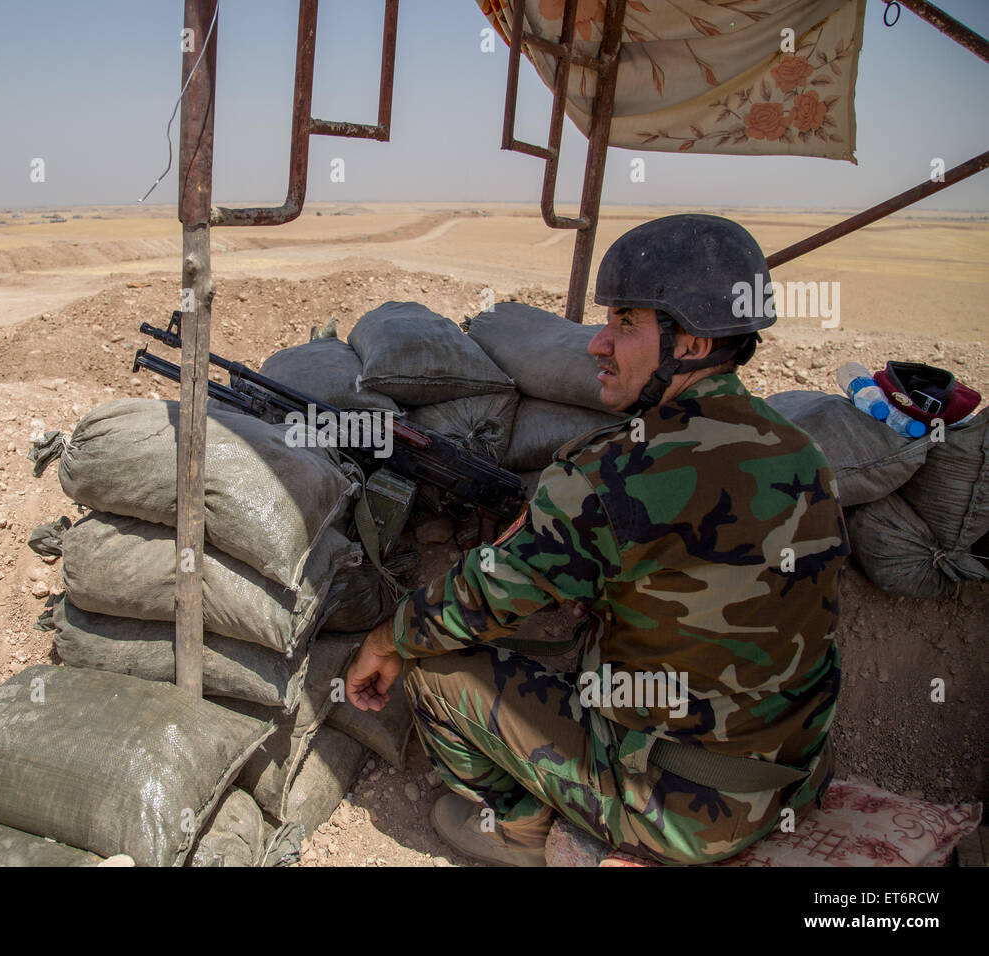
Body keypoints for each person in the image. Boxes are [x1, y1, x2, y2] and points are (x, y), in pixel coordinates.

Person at [344, 214, 848, 866]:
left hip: (686, 813)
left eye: (627, 324)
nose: (597, 344)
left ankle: (521, 830)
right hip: (792, 777)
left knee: (435, 672)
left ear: (690, 344)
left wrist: (386, 638)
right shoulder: (802, 450)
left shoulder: (614, 470)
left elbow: (481, 601)